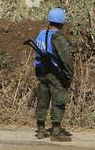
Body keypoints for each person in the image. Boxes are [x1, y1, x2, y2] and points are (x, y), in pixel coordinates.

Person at [31, 8, 74, 141]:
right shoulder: (58, 38)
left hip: (41, 72)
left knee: (42, 100)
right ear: (62, 22)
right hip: (54, 74)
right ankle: (56, 131)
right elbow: (66, 59)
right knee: (58, 100)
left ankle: (41, 129)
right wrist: (69, 75)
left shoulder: (40, 34)